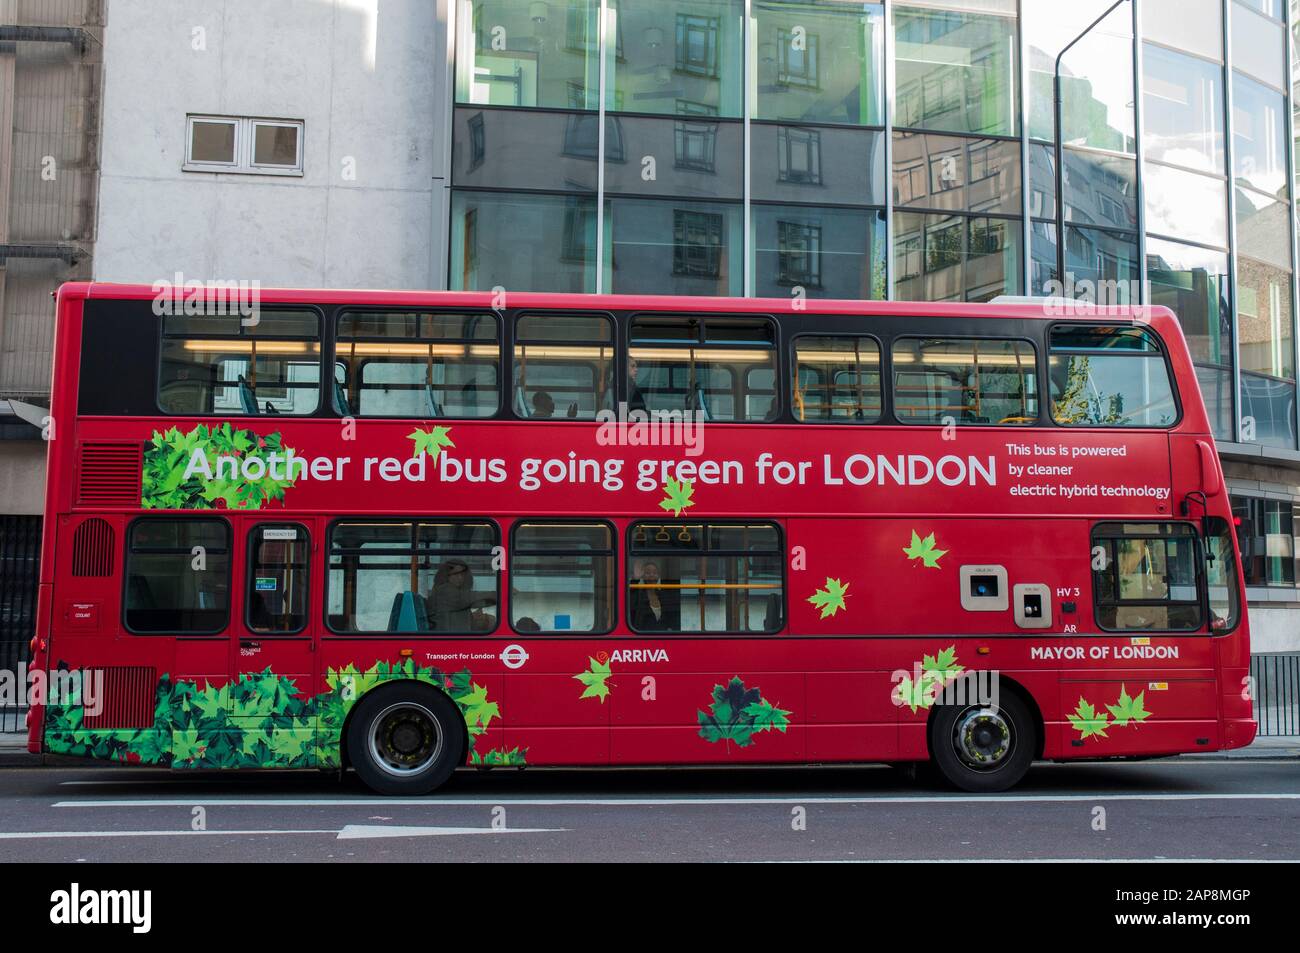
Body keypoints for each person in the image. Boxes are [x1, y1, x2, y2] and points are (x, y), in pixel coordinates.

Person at [429, 559, 495, 632]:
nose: (460, 577)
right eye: (456, 574)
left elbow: (468, 625)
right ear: (446, 575)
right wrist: (495, 595)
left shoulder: (459, 596)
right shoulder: (445, 590)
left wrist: (484, 620)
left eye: (462, 574)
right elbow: (472, 598)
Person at [629, 560, 679, 631]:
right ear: (642, 576)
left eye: (655, 572)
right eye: (648, 573)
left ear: (658, 576)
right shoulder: (638, 594)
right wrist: (635, 579)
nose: (651, 575)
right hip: (643, 636)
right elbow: (629, 598)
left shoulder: (663, 595)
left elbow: (670, 616)